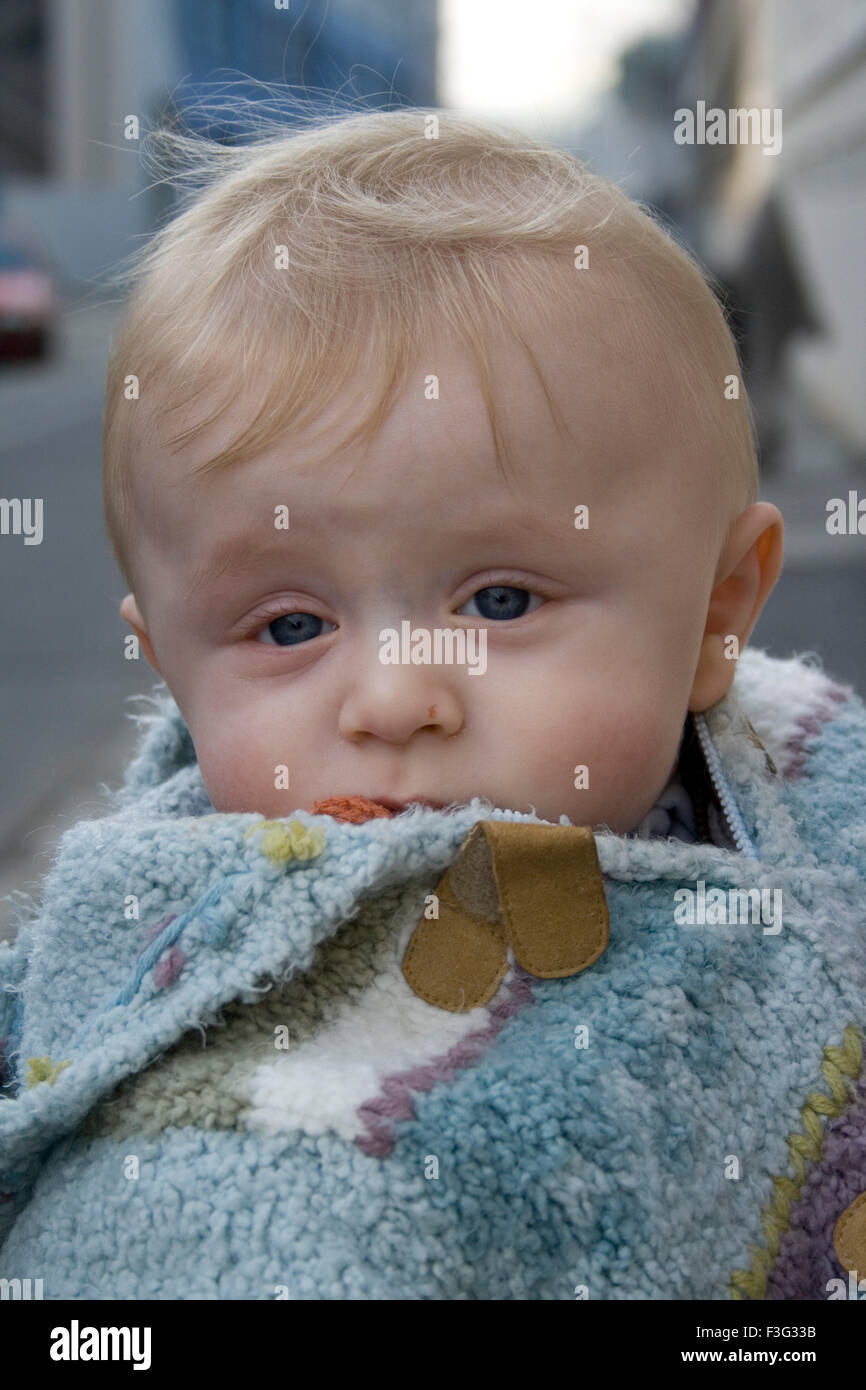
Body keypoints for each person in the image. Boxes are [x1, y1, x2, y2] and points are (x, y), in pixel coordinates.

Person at [1, 108, 864, 1300]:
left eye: (501, 598)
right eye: (290, 627)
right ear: (174, 668)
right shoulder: (170, 1010)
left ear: (717, 613)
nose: (398, 697)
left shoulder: (810, 798)